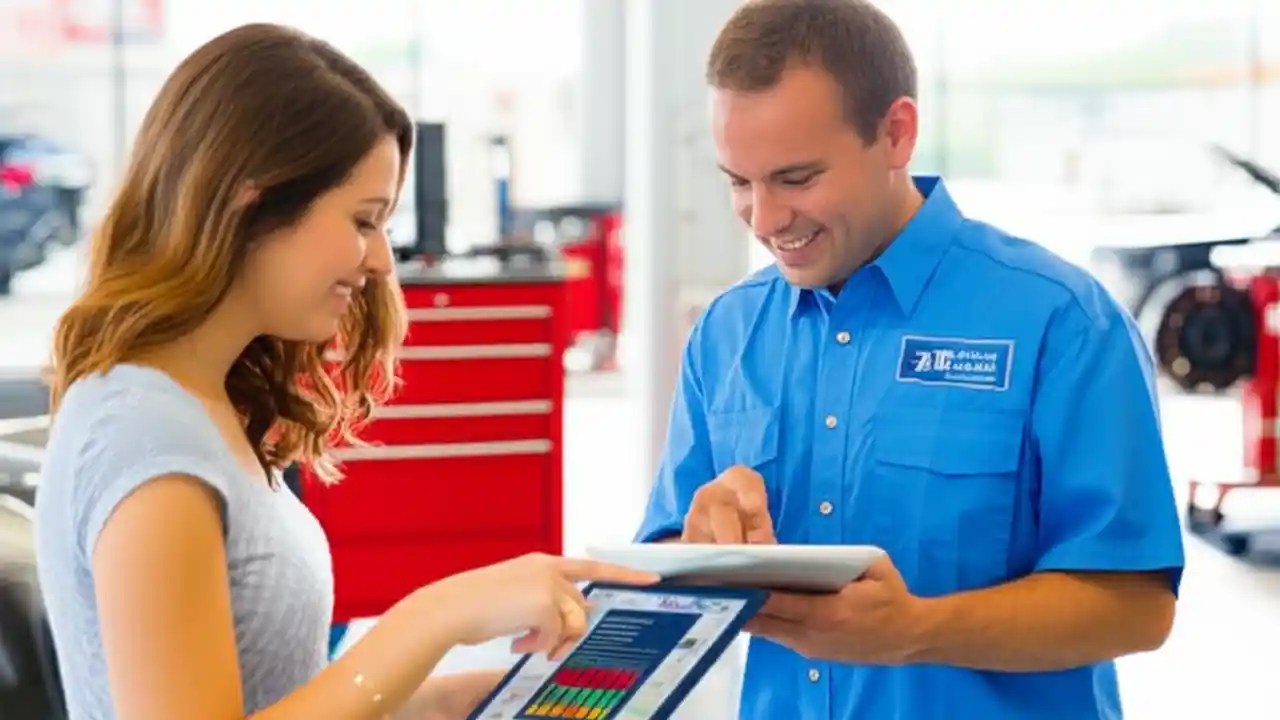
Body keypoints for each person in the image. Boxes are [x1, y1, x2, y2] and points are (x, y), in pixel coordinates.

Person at [33, 23, 656, 720]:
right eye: (364, 221)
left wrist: (461, 702)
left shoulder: (197, 405)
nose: (382, 261)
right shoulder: (147, 440)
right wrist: (434, 618)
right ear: (251, 198)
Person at [634, 1, 1185, 718]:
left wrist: (915, 633)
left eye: (797, 178)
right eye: (740, 182)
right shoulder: (728, 333)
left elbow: (1136, 606)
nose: (764, 221)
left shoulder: (1059, 320)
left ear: (895, 133)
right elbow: (668, 576)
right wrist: (697, 544)